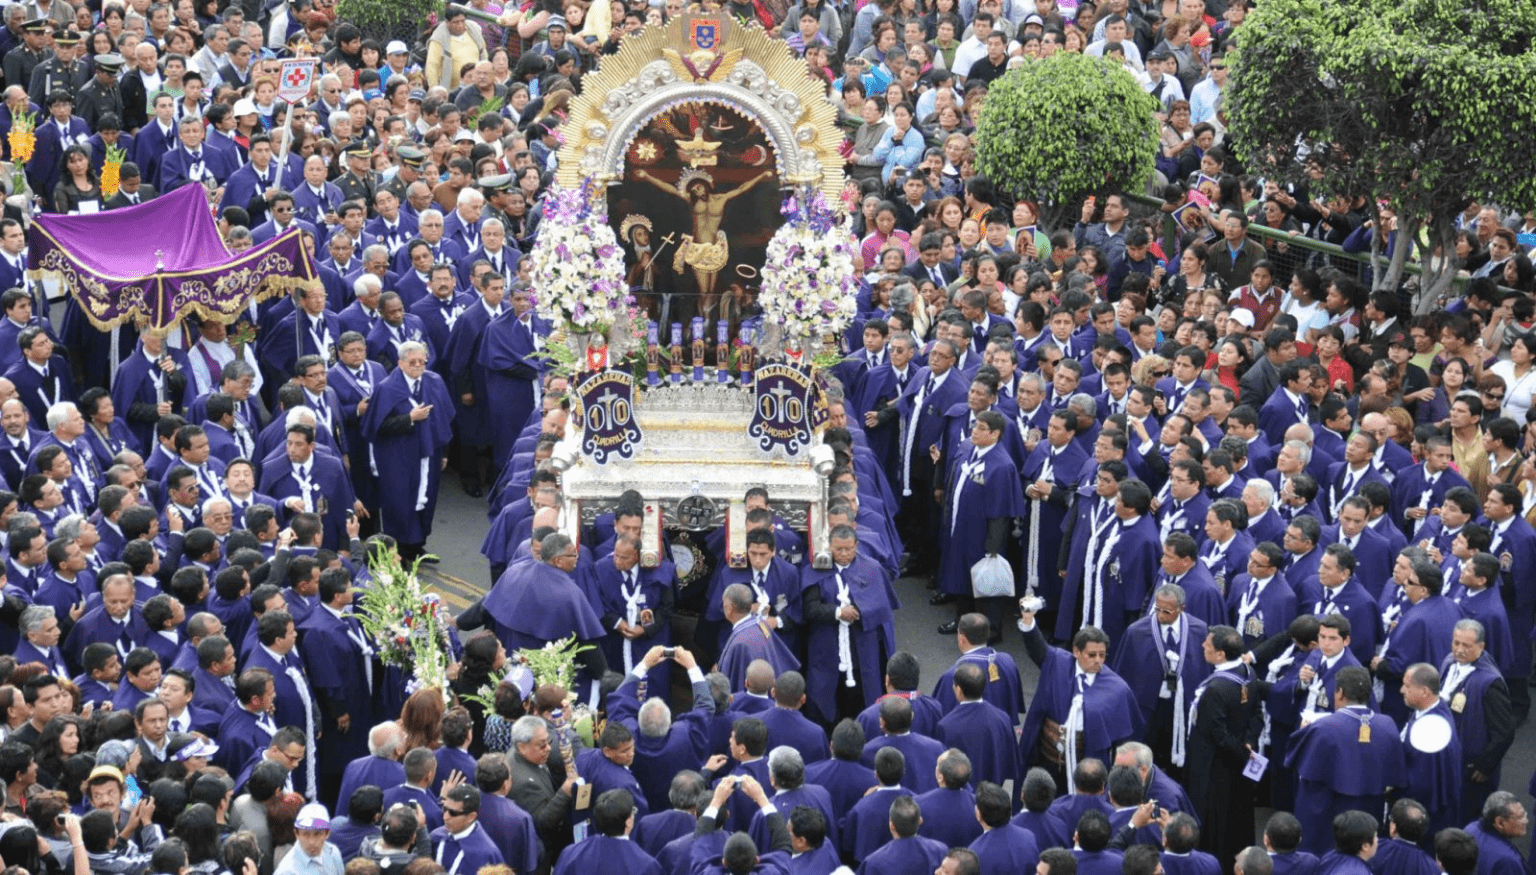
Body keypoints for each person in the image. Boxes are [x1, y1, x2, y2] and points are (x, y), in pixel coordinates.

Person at [1015, 605, 1141, 794]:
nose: (1098, 660)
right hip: (1046, 759)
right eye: (1091, 655)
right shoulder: (1058, 662)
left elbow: (1125, 738)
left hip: (1085, 768)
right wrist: (1028, 621)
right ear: (1076, 652)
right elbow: (1036, 648)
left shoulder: (1117, 689)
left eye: (1102, 655)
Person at [1283, 665, 1405, 856]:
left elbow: (1296, 760)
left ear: (1339, 692)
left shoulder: (1322, 727)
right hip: (1370, 816)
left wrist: (1305, 730)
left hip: (1331, 816)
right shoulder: (1387, 724)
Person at [358, 341, 453, 560]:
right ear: (400, 363)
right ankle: (398, 550)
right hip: (397, 455)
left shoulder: (435, 382)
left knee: (426, 498)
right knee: (400, 501)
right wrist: (409, 418)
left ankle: (417, 545)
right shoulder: (386, 388)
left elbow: (445, 419)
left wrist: (445, 452)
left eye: (422, 361)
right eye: (412, 362)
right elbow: (376, 427)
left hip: (428, 453)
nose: (418, 366)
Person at [1184, 624, 1256, 866]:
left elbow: (1218, 735)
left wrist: (1243, 752)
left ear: (1221, 654)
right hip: (1238, 760)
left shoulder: (1215, 689)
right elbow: (1256, 713)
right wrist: (1248, 744)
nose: (1203, 645)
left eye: (1208, 644)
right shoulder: (1248, 672)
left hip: (1213, 766)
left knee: (1215, 820)